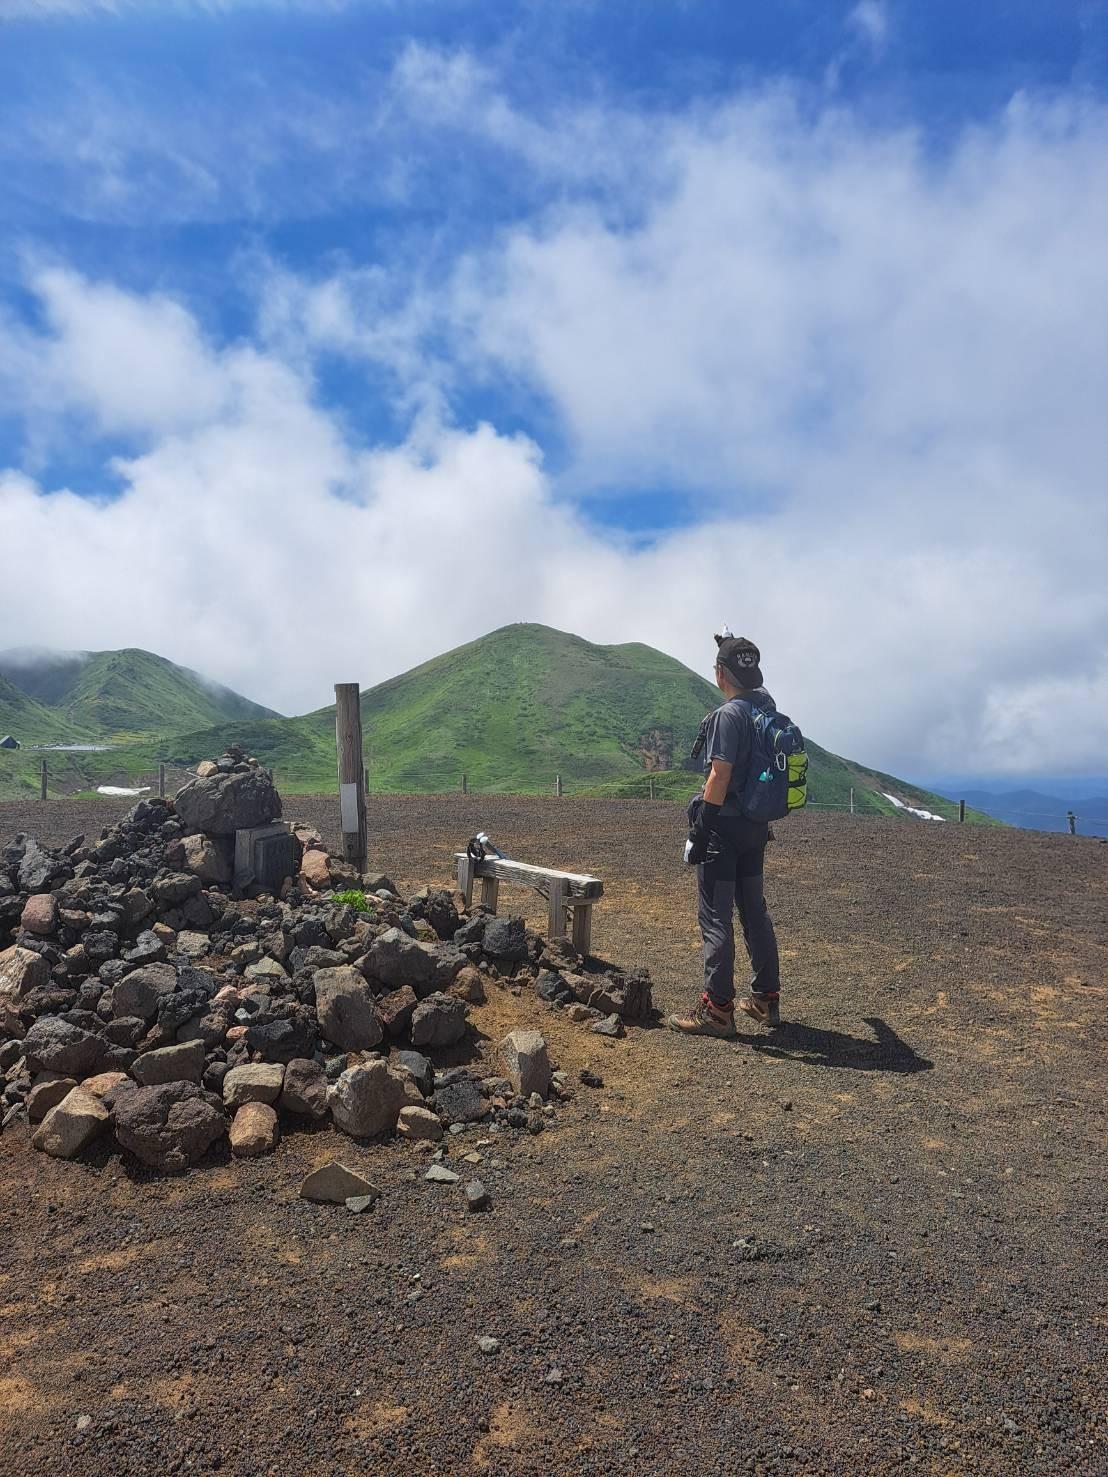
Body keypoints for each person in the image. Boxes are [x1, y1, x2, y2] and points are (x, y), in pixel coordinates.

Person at [666, 634, 782, 1039]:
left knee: (716, 918)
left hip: (725, 828)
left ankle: (717, 1010)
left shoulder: (727, 716)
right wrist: (733, 644)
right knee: (754, 911)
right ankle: (767, 998)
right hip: (756, 826)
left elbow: (719, 774)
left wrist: (701, 830)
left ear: (719, 673)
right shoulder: (764, 706)